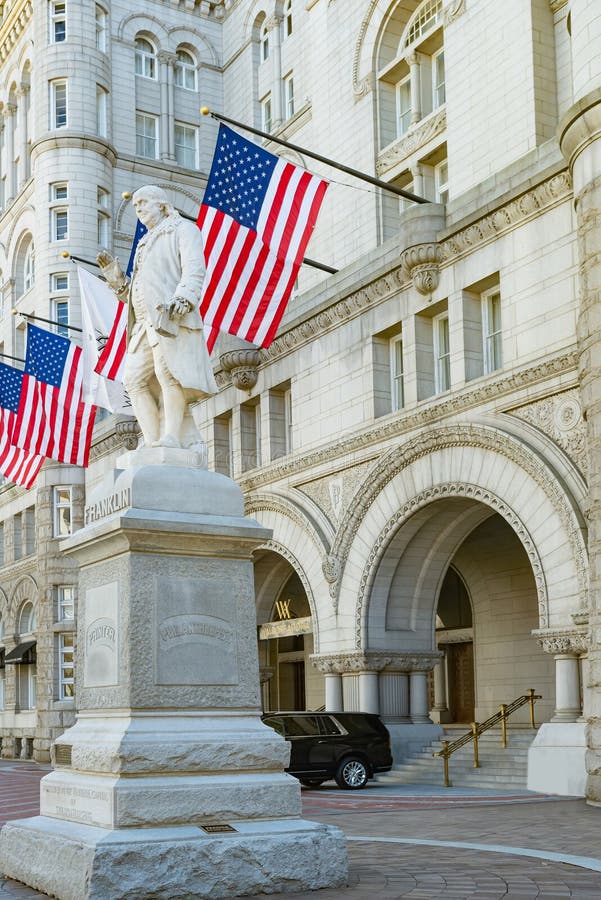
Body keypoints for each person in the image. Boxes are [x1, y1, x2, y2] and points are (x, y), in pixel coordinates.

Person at [97, 185, 218, 449]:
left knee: (168, 375)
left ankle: (171, 438)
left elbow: (194, 271)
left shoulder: (183, 230)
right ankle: (153, 443)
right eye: (135, 205)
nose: (138, 208)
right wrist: (116, 279)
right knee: (133, 380)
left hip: (169, 318)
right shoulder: (144, 243)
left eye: (143, 202)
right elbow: (135, 292)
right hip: (142, 325)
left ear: (161, 204)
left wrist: (183, 298)